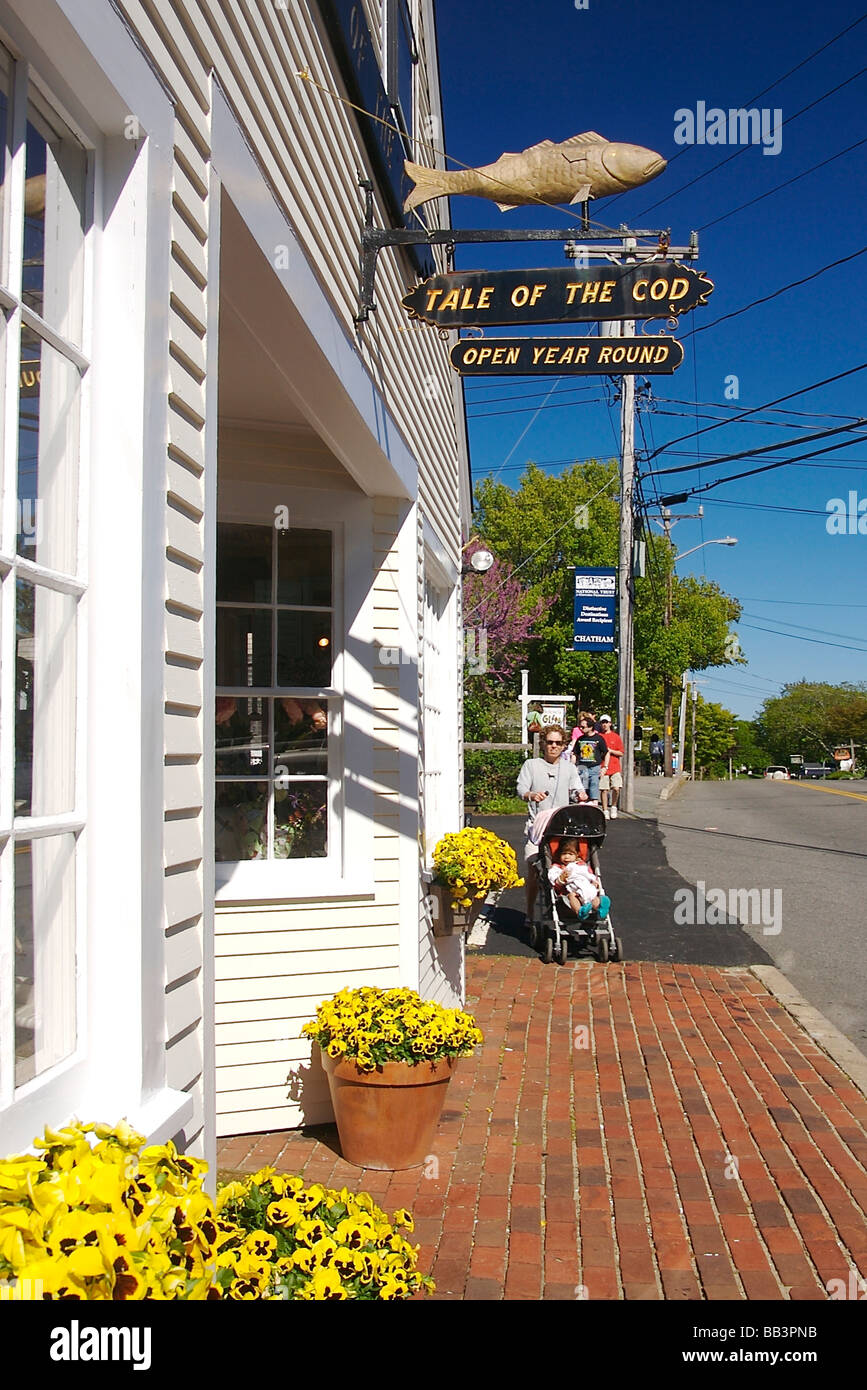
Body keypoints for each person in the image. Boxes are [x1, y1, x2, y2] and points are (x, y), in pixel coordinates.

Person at [517, 726, 586, 923]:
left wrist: (579, 794)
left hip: (561, 830)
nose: (553, 746)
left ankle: (570, 908)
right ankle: (530, 914)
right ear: (543, 744)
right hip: (536, 829)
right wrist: (531, 795)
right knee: (533, 872)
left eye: (558, 743)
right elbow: (521, 788)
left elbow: (576, 789)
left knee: (569, 869)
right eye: (550, 742)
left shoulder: (569, 768)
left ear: (564, 745)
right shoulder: (531, 765)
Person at [548, 838, 611, 921]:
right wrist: (561, 879)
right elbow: (554, 882)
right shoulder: (558, 868)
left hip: (585, 886)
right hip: (569, 891)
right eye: (564, 854)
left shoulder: (581, 865)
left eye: (570, 854)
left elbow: (588, 874)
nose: (567, 857)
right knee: (572, 896)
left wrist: (593, 881)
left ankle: (601, 907)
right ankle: (580, 911)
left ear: (577, 855)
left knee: (593, 897)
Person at [570, 711, 607, 804]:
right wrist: (571, 766)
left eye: (583, 727)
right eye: (580, 727)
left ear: (590, 727)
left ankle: (594, 802)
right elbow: (575, 753)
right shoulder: (580, 739)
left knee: (594, 785)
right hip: (582, 767)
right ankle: (582, 803)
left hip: (594, 767)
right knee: (582, 787)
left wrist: (605, 767)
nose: (581, 729)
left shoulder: (599, 738)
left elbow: (606, 752)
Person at [598, 715, 624, 819]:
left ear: (610, 723)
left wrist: (610, 750)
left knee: (616, 788)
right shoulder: (599, 736)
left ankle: (613, 806)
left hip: (615, 767)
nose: (604, 724)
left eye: (606, 722)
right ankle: (605, 810)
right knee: (604, 789)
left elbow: (621, 752)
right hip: (602, 766)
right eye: (602, 722)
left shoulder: (616, 737)